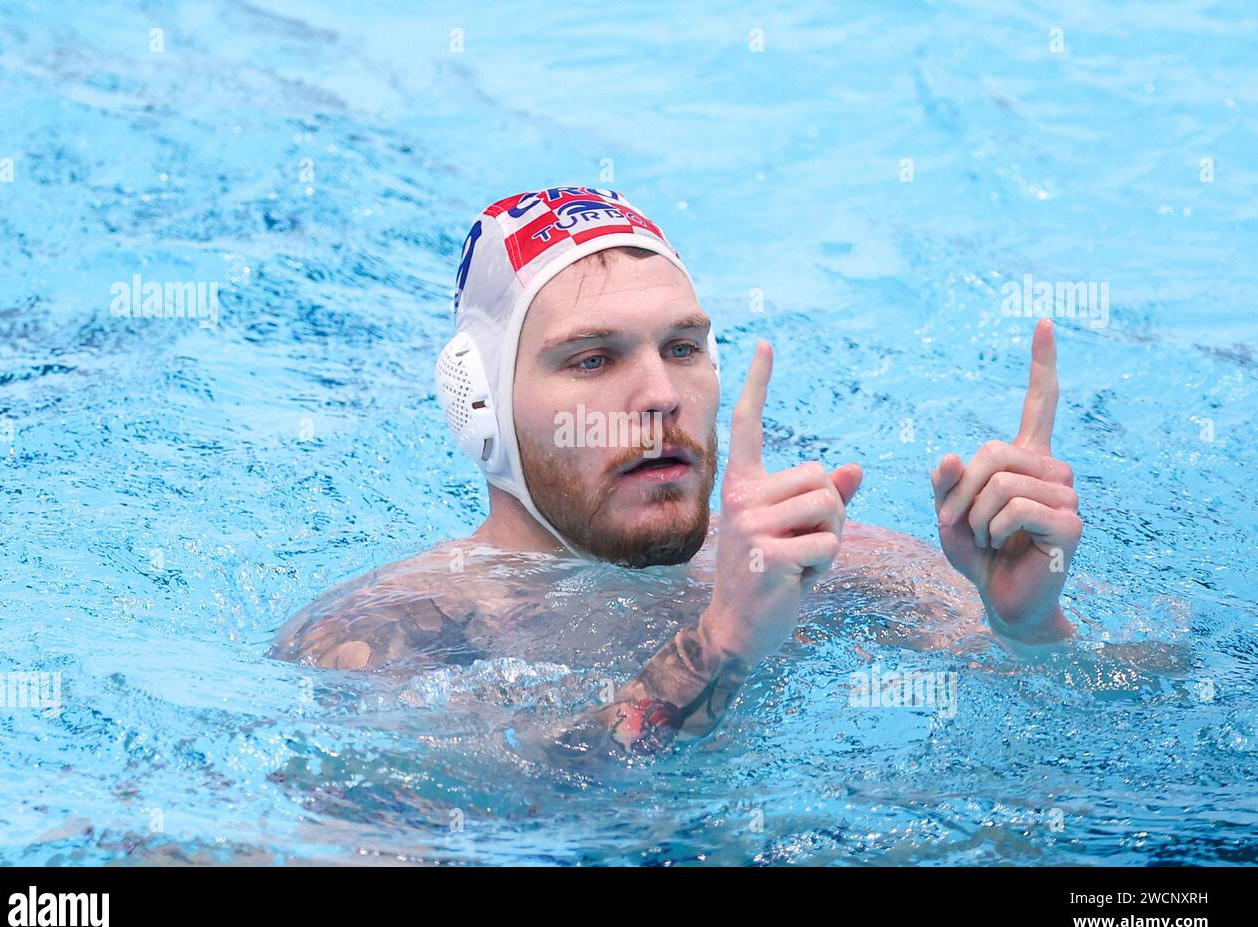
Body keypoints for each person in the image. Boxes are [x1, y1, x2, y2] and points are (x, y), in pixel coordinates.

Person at [271, 186, 1082, 759]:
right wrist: (724, 640)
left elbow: (1119, 713)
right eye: (593, 359)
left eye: (683, 348)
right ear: (480, 406)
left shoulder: (811, 565)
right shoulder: (386, 634)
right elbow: (478, 808)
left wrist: (1028, 626)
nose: (661, 396)